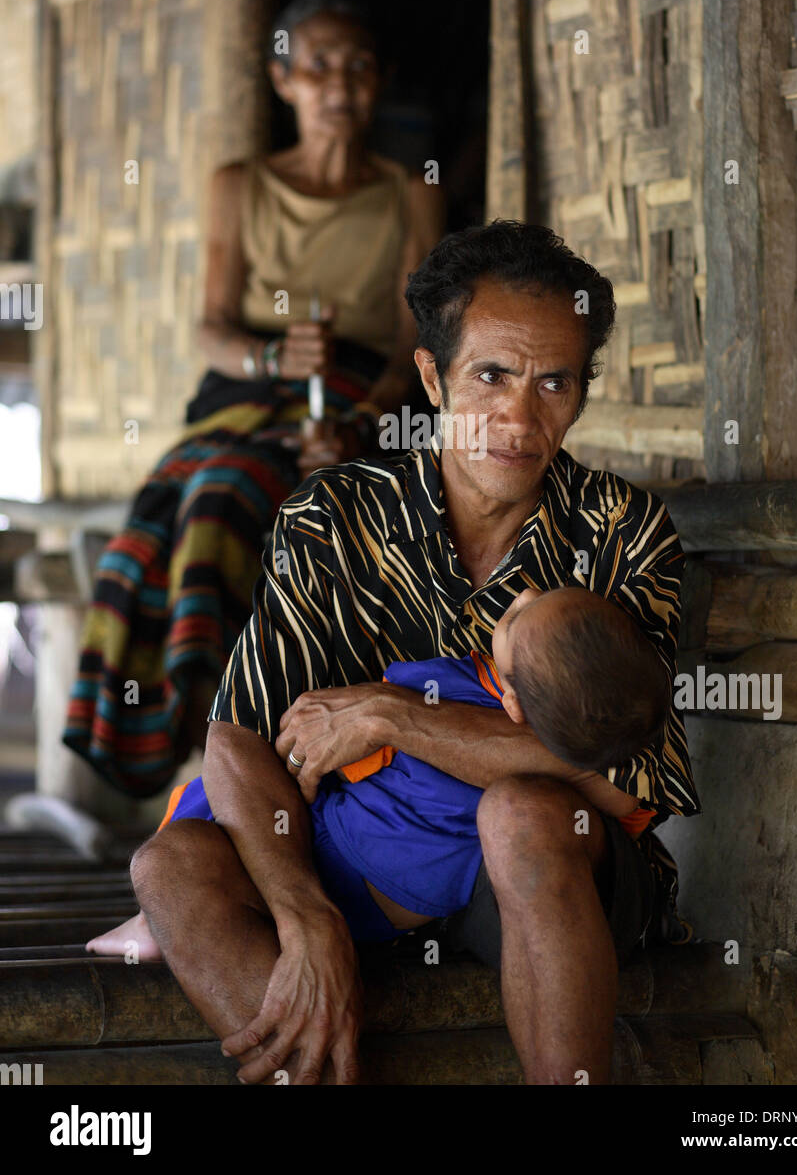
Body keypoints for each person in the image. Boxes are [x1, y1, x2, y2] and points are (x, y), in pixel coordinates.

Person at [129, 219, 700, 1086]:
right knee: (169, 866)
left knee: (523, 811)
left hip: (547, 874)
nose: (519, 416)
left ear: (582, 393)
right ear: (432, 377)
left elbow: (622, 771)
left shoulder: (622, 534)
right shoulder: (333, 518)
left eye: (555, 382)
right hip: (361, 866)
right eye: (492, 376)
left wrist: (394, 715)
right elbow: (238, 737)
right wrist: (305, 914)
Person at [63, 0, 444, 799]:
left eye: (358, 67)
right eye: (317, 66)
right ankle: (201, 727)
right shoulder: (240, 185)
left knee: (233, 489)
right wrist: (272, 358)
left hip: (357, 402)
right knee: (201, 493)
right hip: (245, 395)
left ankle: (229, 748)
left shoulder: (411, 193)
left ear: (379, 82)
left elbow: (423, 345)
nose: (338, 84)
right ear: (283, 80)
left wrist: (360, 422)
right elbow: (209, 328)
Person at [86, 582, 667, 955]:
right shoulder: (573, 764)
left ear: (513, 703)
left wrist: (311, 760)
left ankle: (151, 921)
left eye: (517, 618)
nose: (523, 594)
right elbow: (627, 801)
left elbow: (340, 745)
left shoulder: (452, 690)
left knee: (221, 798)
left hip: (339, 855)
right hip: (402, 909)